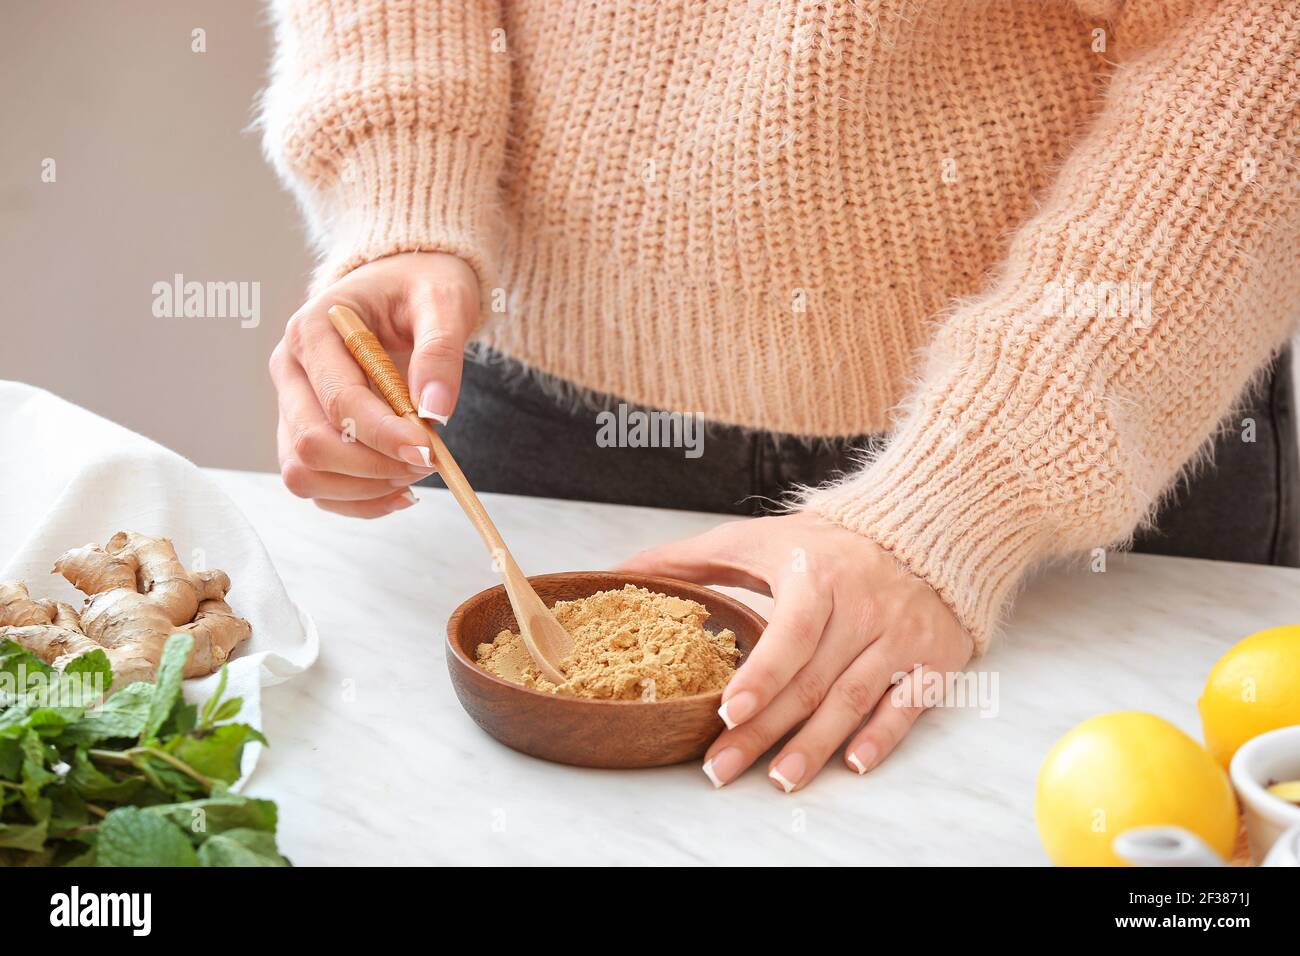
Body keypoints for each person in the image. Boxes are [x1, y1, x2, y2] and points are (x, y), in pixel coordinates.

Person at [261, 0, 1299, 792]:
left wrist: (969, 490)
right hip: (532, 404)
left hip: (1067, 430)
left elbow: (1258, 42)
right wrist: (400, 198)